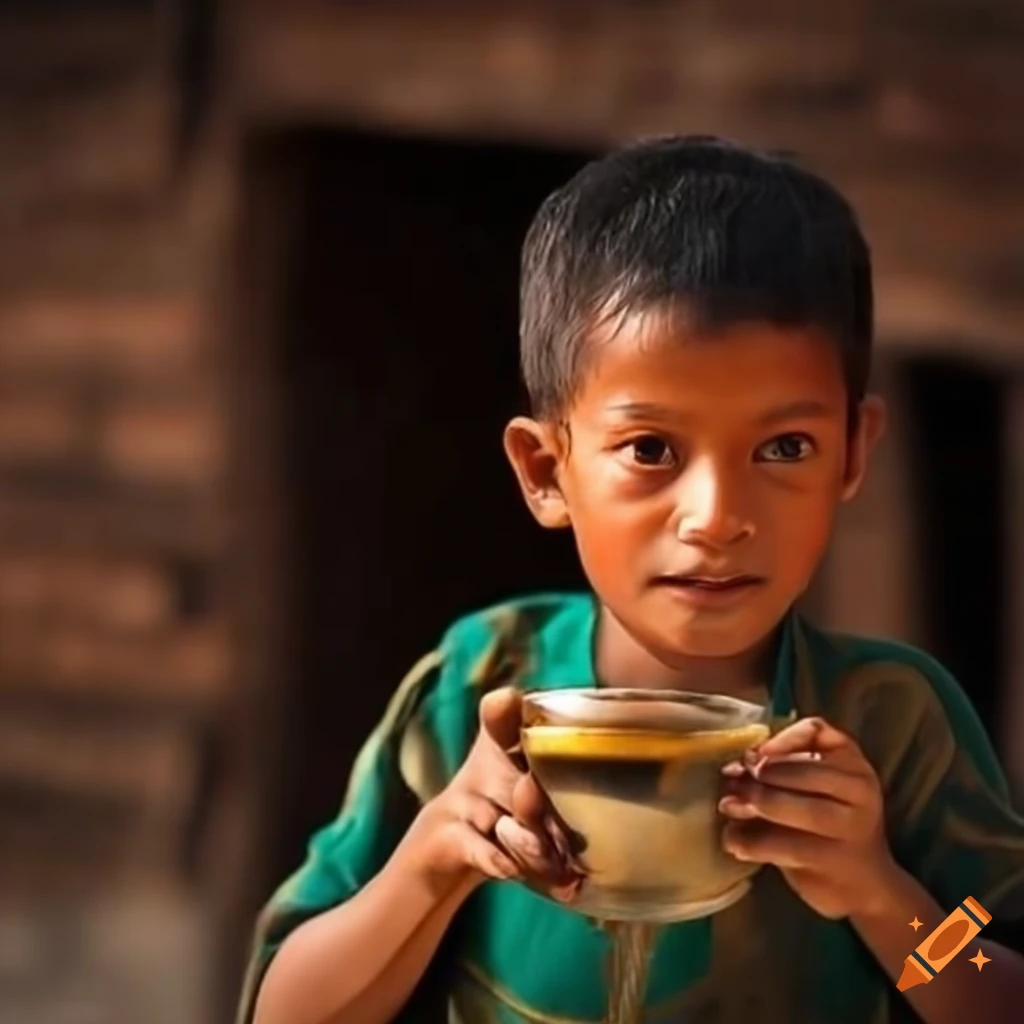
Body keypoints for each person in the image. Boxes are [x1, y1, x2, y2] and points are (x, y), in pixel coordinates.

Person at [238, 136, 1024, 1024]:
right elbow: (284, 1011)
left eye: (785, 448)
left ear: (852, 453)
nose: (718, 514)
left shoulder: (891, 719)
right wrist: (431, 863)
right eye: (650, 449)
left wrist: (885, 896)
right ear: (544, 470)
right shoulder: (478, 694)